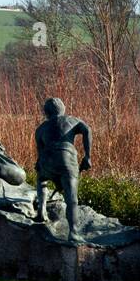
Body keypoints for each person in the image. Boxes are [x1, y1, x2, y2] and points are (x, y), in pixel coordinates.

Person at [33, 97, 92, 243]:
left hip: (48, 160)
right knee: (71, 199)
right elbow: (87, 130)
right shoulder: (72, 120)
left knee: (41, 179)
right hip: (67, 159)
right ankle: (73, 232)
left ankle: (41, 211)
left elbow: (40, 156)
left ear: (46, 113)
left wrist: (41, 166)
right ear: (63, 108)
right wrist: (87, 156)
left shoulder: (40, 129)